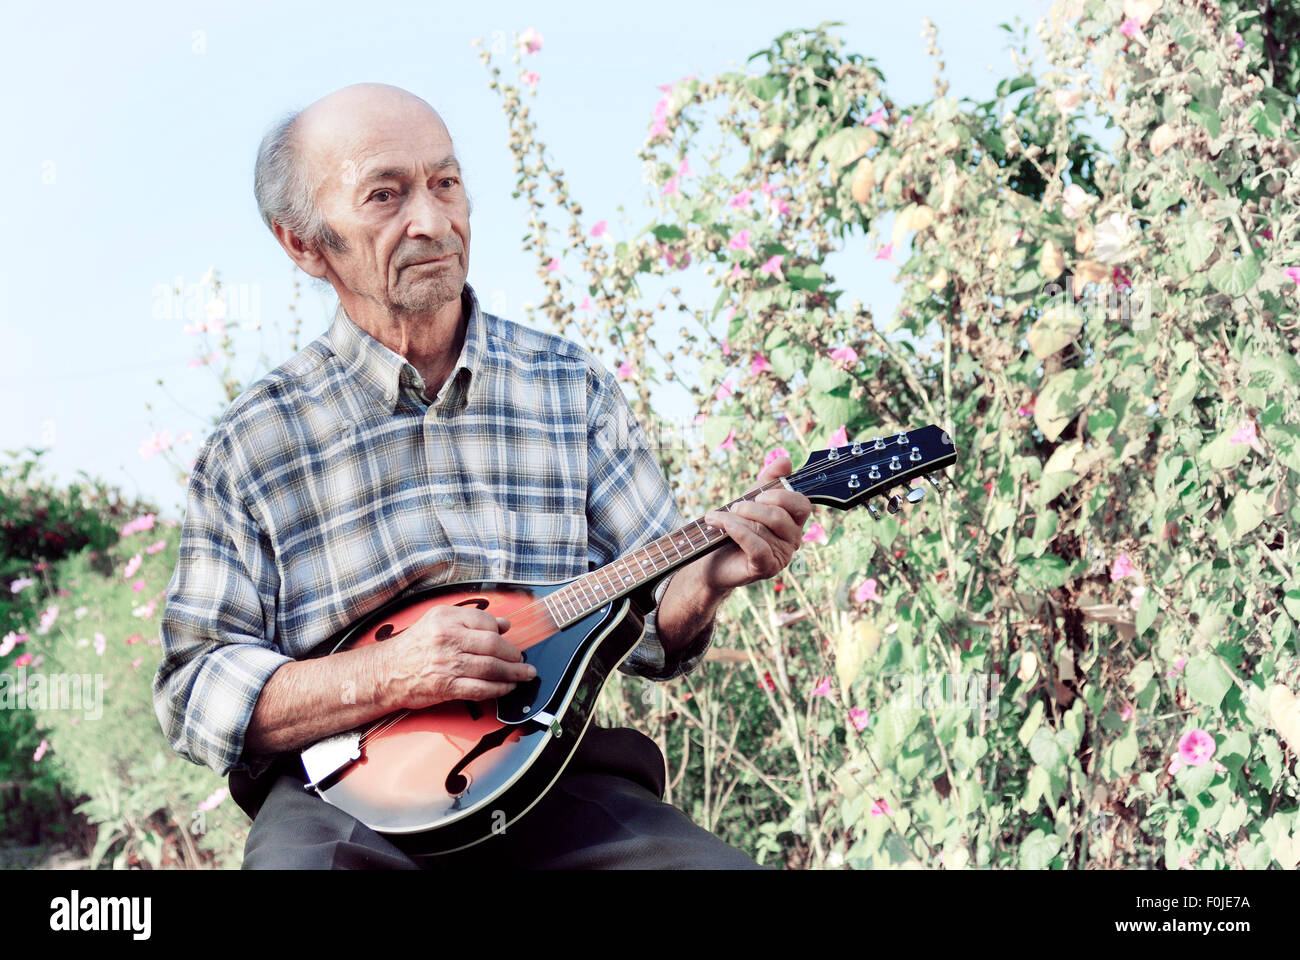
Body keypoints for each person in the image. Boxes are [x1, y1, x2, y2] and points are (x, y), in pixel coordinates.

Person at [153, 83, 813, 869]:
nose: (431, 221)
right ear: (303, 244)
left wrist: (704, 582)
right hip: (347, 800)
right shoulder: (254, 440)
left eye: (446, 182)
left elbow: (652, 626)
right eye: (385, 195)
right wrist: (386, 675)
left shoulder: (570, 387)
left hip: (551, 770)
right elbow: (194, 688)